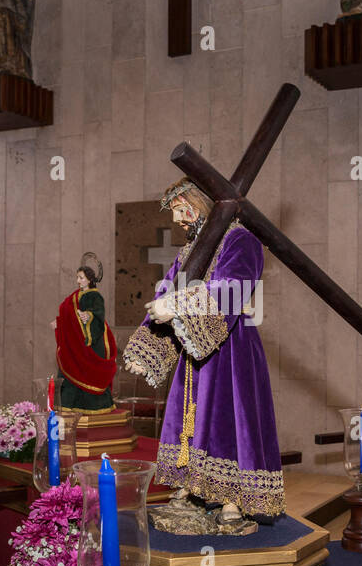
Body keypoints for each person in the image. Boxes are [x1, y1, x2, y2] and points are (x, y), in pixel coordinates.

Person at [121, 178, 283, 534]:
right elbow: (166, 291)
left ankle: (233, 500)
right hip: (194, 357)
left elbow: (231, 290)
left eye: (182, 209)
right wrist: (146, 352)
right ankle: (193, 488)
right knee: (188, 422)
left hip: (232, 349)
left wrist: (175, 305)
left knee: (229, 422)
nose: (178, 219)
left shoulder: (241, 240)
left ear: (199, 204)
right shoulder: (190, 251)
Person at [51, 254, 116, 413]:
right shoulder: (75, 295)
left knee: (87, 372)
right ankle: (71, 405)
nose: (78, 281)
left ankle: (93, 406)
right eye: (77, 277)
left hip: (90, 342)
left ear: (89, 279)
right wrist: (60, 323)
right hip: (76, 341)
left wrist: (89, 317)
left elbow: (98, 314)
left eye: (81, 278)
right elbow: (69, 314)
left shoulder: (95, 296)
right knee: (71, 367)